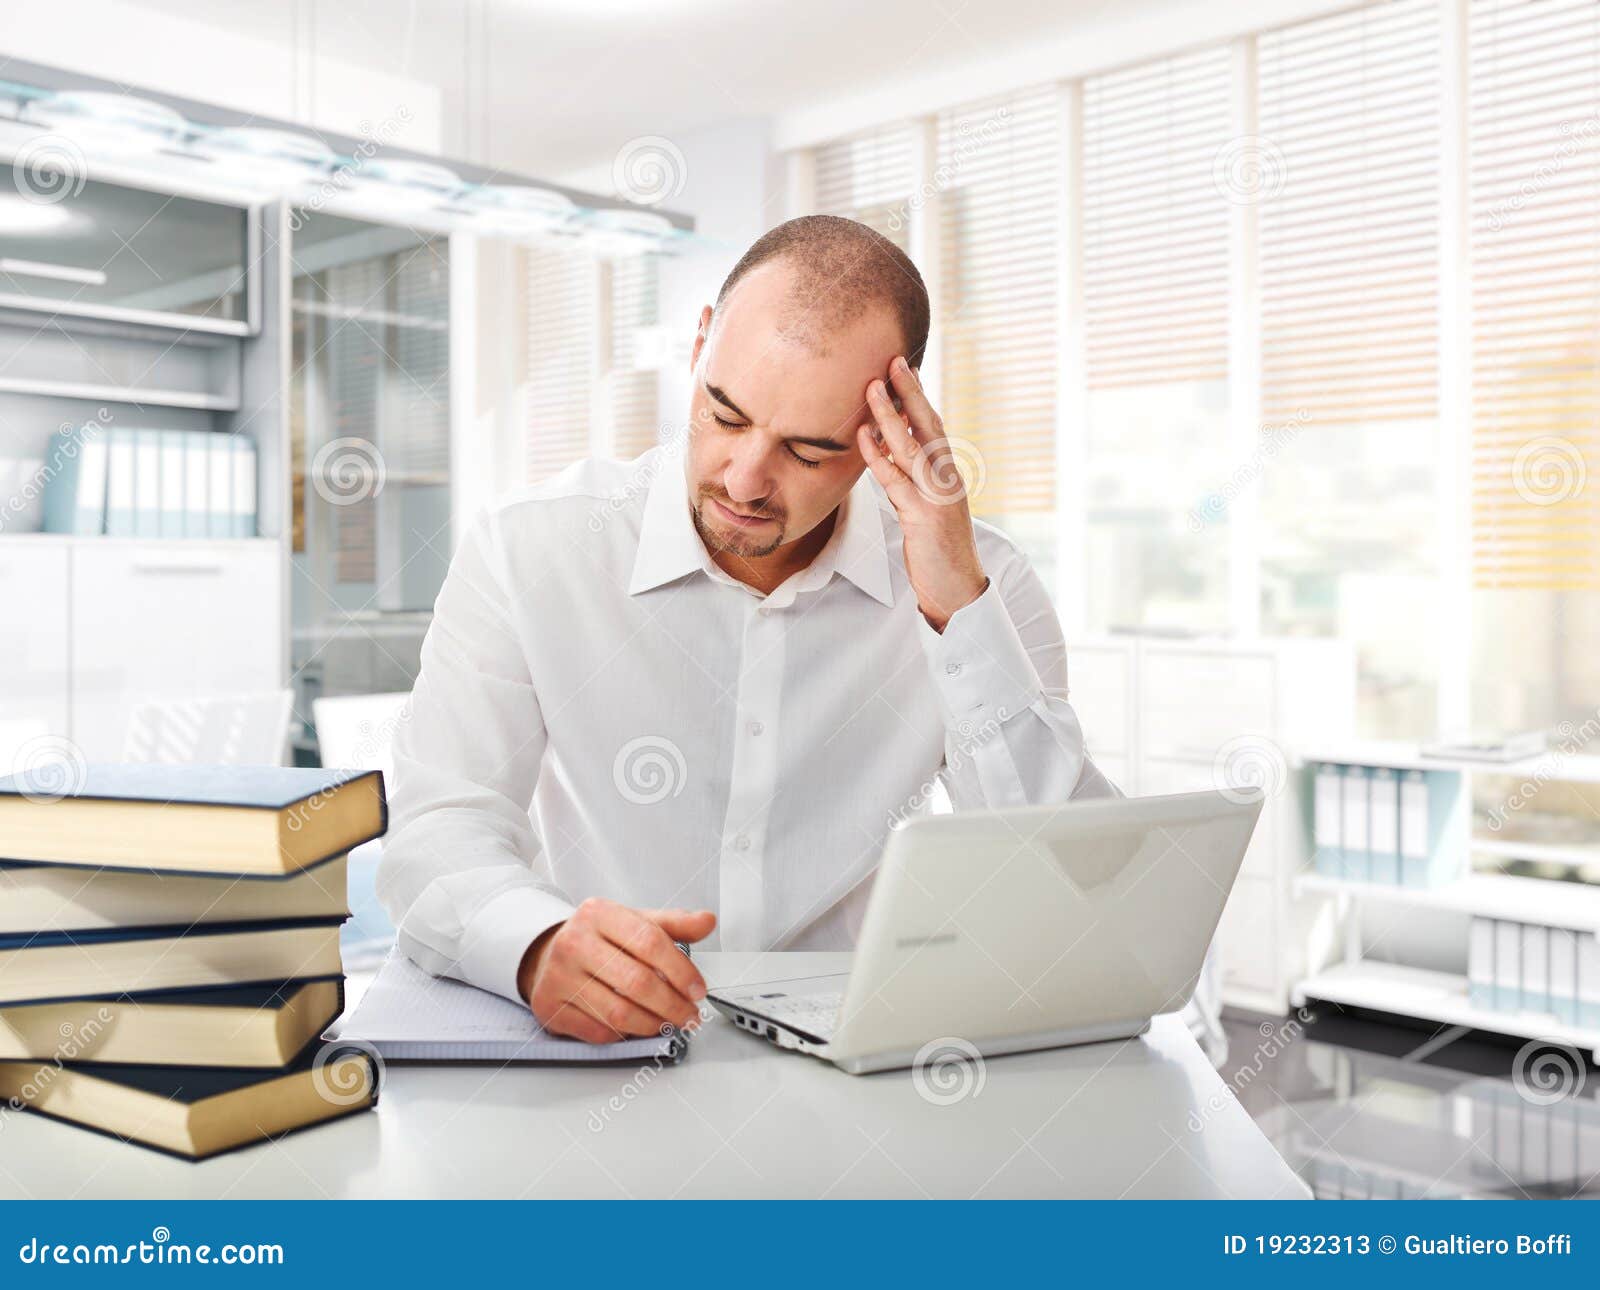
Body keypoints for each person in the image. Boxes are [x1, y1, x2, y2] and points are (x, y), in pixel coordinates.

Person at [378, 215, 1116, 1045]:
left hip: (860, 1063)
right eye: (724, 414)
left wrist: (956, 609)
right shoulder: (530, 549)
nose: (744, 478)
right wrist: (532, 944)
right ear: (699, 343)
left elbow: (1063, 874)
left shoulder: (980, 582)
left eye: (807, 450)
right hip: (604, 1053)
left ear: (890, 431)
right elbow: (438, 825)